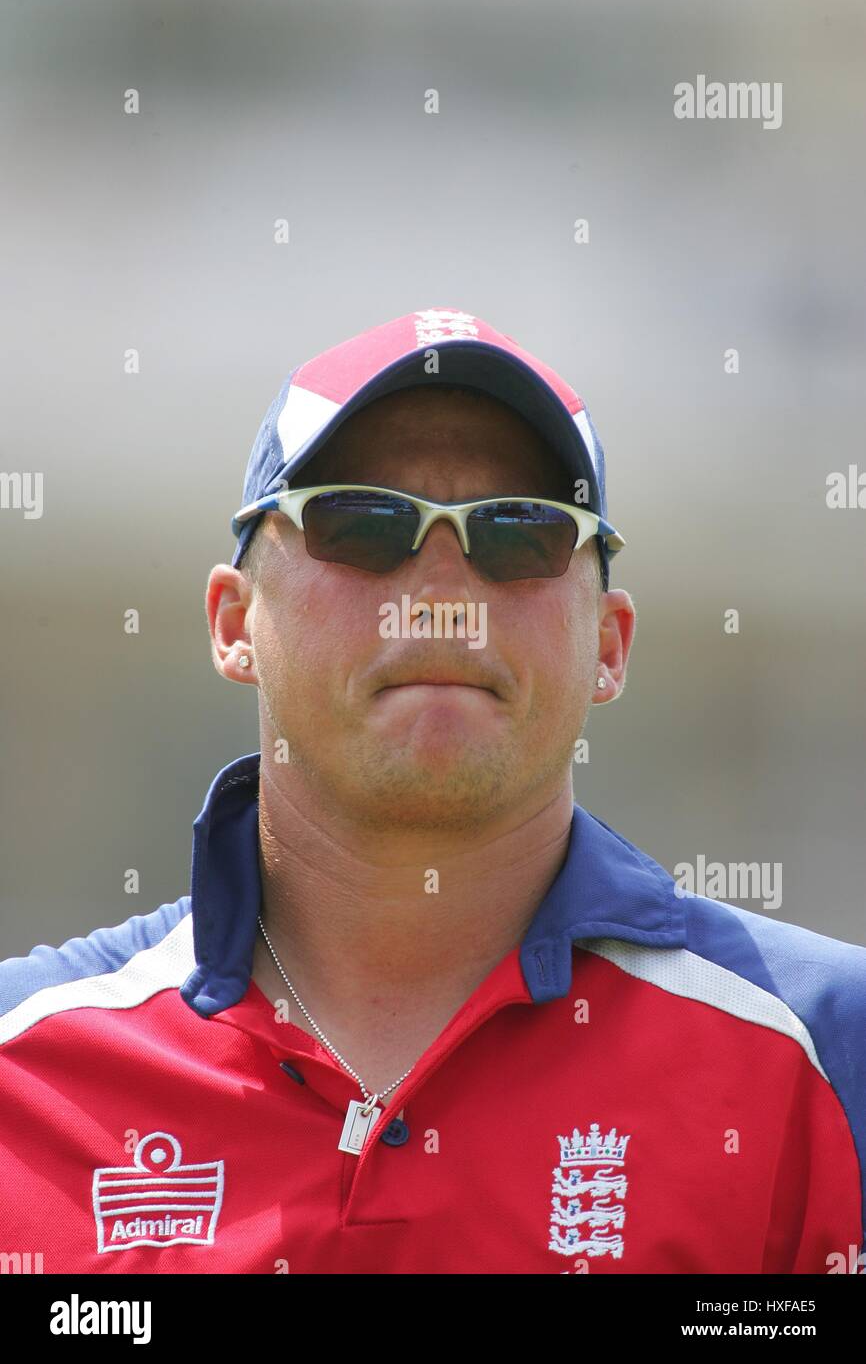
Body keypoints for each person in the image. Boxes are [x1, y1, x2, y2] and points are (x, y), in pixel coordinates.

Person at [0, 307, 863, 1275]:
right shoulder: (21, 1073)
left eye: (519, 534)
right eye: (364, 523)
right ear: (233, 622)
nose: (442, 589)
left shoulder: (825, 1052)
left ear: (609, 646)